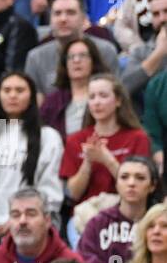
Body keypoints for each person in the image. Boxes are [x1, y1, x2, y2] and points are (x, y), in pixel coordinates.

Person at [0, 71, 65, 241]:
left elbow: (50, 191)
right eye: (7, 90)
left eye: (19, 90)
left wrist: (18, 220)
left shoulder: (48, 137)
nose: (12, 95)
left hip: (31, 228)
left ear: (32, 96)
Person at [79, 158, 157, 263]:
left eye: (140, 178)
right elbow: (85, 260)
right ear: (116, 184)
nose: (131, 183)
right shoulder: (98, 222)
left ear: (152, 186)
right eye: (124, 177)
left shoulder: (159, 223)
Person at [60, 75, 151, 211]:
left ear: (118, 100)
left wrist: (107, 159)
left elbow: (138, 187)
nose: (97, 102)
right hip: (85, 215)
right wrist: (88, 162)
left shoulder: (138, 138)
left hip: (126, 212)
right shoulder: (75, 140)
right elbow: (73, 194)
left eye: (103, 96)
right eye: (92, 97)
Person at [25, 0, 119, 96]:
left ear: (84, 18)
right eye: (57, 13)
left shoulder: (105, 51)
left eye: (71, 12)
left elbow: (115, 95)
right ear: (50, 19)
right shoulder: (35, 58)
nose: (63, 19)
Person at [37, 34, 107, 140]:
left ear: (93, 60)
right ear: (65, 64)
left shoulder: (106, 95)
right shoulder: (53, 101)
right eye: (71, 57)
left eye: (82, 55)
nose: (76, 61)